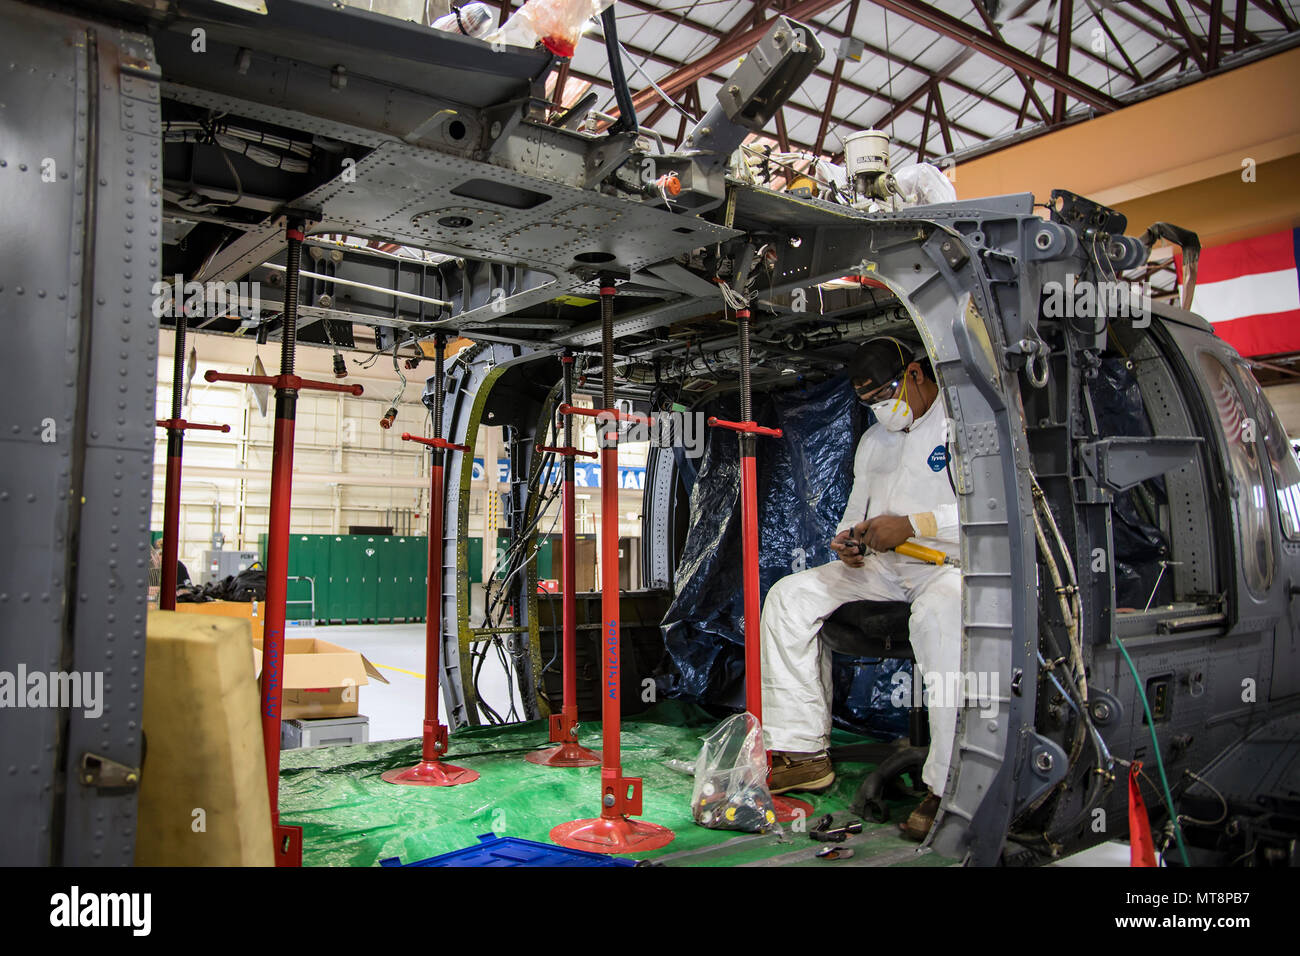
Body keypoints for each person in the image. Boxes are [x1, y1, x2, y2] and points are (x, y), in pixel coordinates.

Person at [760, 336, 962, 840]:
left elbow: (998, 512)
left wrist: (915, 524)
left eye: (885, 394)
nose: (880, 409)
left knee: (940, 616)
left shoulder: (961, 424)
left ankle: (949, 787)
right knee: (789, 596)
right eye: (869, 402)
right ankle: (803, 752)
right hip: (883, 569)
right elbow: (856, 513)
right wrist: (847, 540)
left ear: (915, 374)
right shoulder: (875, 441)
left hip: (951, 567)